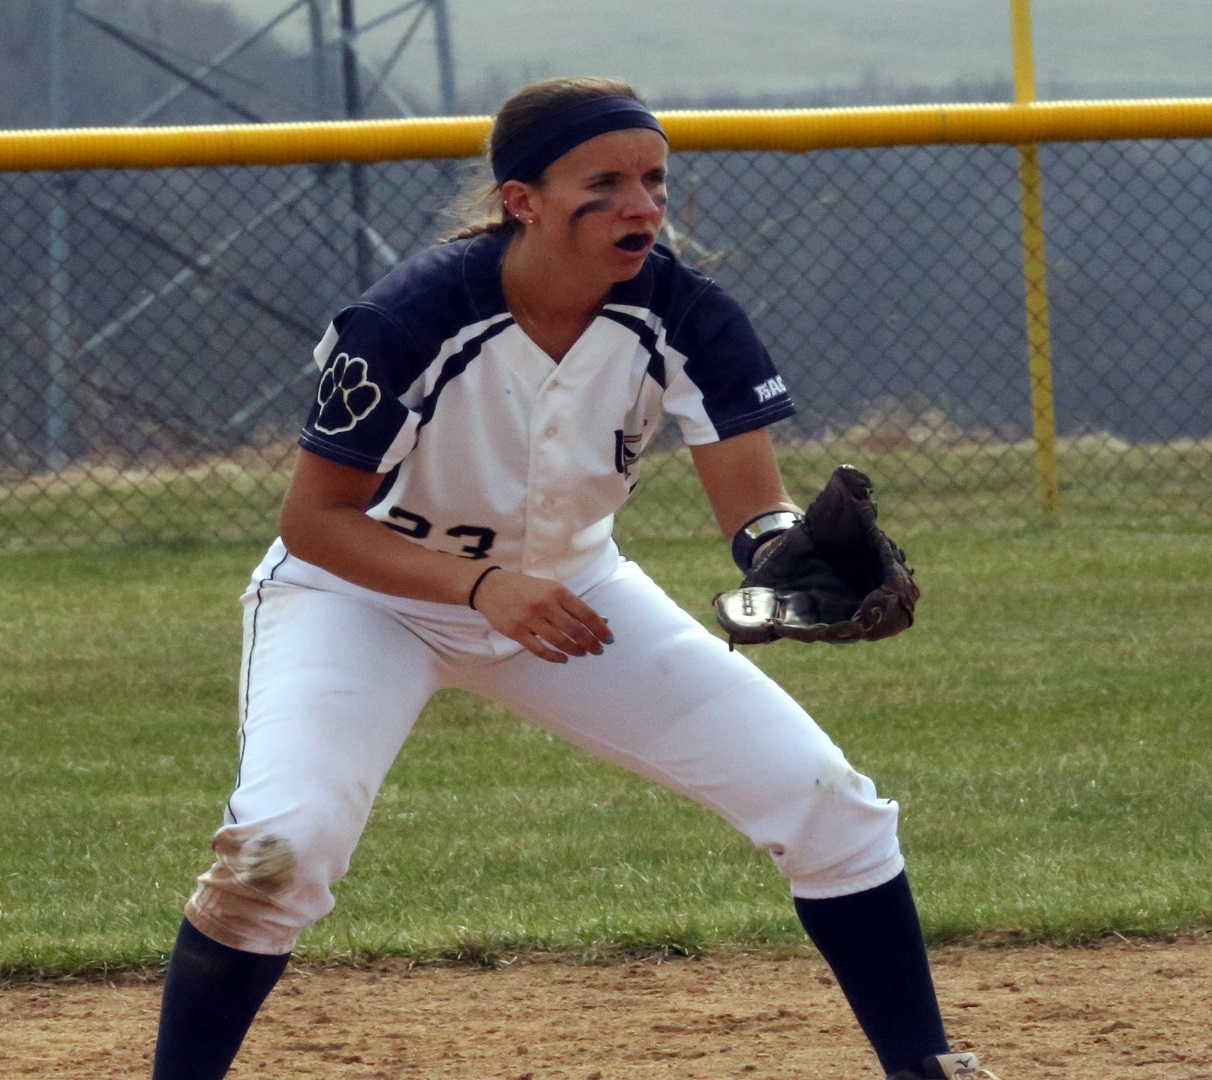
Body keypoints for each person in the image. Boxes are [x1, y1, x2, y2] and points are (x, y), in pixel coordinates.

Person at [149, 76, 996, 1080]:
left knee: (827, 803)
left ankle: (927, 1066)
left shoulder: (685, 314)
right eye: (606, 183)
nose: (643, 206)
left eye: (654, 180)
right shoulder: (412, 319)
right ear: (523, 200)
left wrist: (782, 560)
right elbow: (314, 522)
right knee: (279, 854)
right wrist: (478, 590)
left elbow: (752, 508)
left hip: (572, 592)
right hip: (359, 601)